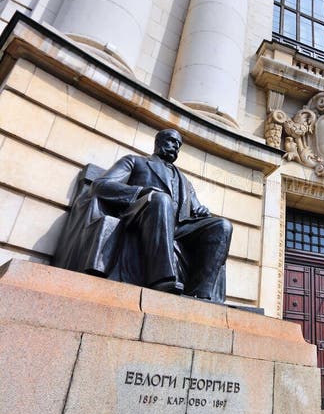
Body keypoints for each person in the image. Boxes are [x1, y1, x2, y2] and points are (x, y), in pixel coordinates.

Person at [55, 128, 232, 300]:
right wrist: (141, 192)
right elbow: (101, 185)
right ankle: (161, 278)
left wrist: (202, 211)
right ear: (158, 142)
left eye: (178, 144)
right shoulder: (135, 161)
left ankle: (201, 293)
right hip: (140, 215)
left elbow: (196, 209)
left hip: (179, 227)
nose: (175, 147)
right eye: (171, 141)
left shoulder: (185, 181)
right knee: (161, 199)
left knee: (222, 226)